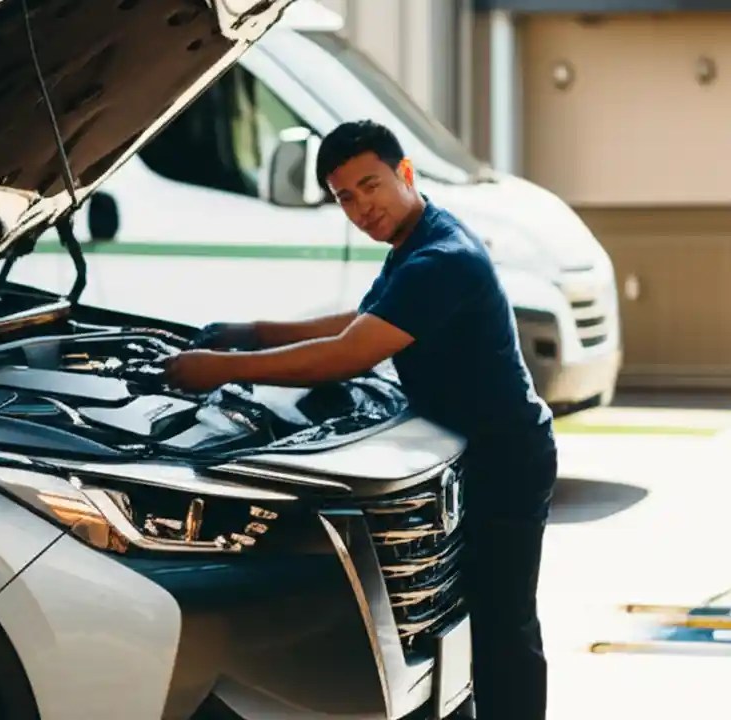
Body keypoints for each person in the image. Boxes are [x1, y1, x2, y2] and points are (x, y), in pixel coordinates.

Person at [163, 119, 557, 720]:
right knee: (469, 618)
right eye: (345, 196)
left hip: (507, 458)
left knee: (504, 626)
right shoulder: (417, 243)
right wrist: (257, 332)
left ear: (405, 173)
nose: (360, 207)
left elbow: (349, 354)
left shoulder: (441, 258)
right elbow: (360, 322)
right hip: (469, 453)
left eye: (370, 186)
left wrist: (221, 366)